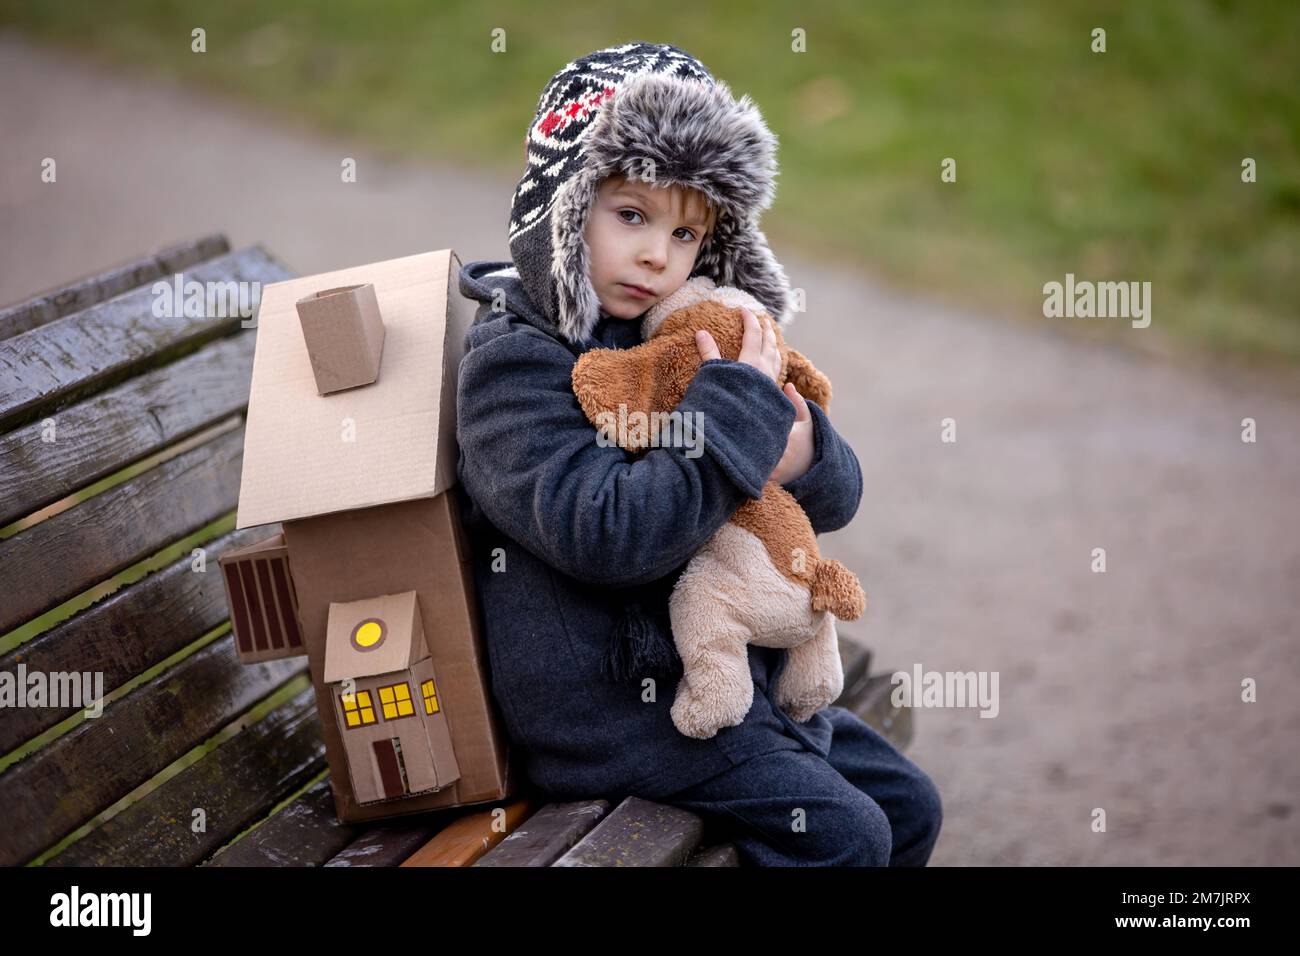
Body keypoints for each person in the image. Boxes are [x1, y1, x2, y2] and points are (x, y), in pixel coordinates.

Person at [455, 41, 941, 865]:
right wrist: (731, 423)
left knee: (908, 808)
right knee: (848, 839)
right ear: (566, 207)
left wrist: (800, 450)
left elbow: (833, 499)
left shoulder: (679, 334)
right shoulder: (517, 367)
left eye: (686, 232)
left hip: (725, 678)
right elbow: (606, 536)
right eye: (632, 215)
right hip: (615, 713)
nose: (658, 255)